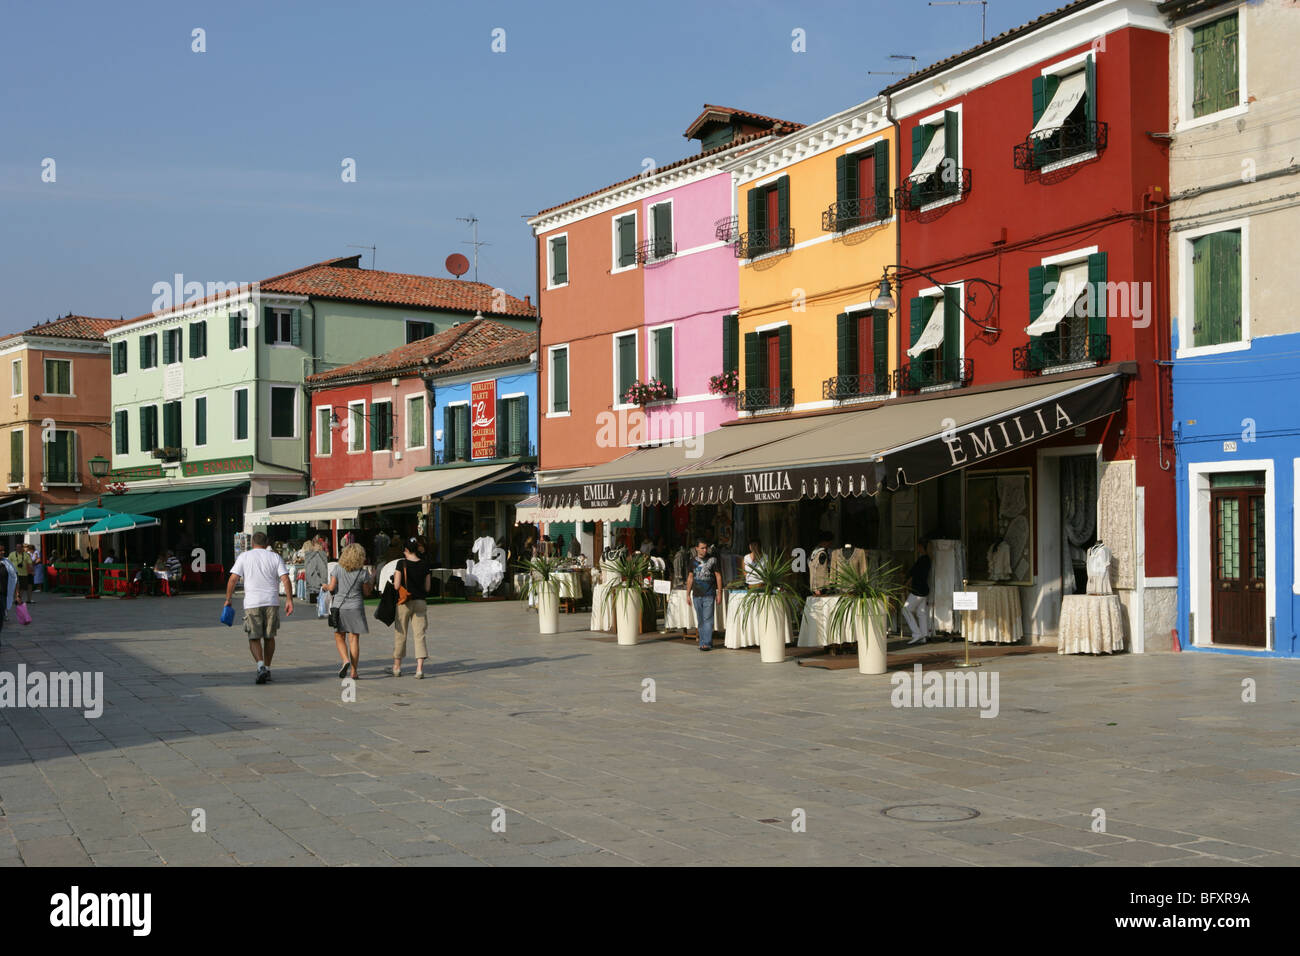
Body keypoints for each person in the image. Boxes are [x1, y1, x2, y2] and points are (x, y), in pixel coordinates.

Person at [224, 531, 294, 684]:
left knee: (254, 637)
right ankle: (267, 668)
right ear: (266, 543)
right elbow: (285, 579)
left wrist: (228, 599)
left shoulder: (244, 556)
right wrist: (289, 600)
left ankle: (260, 665)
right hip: (271, 601)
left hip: (252, 603)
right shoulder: (275, 557)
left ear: (252, 543)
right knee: (270, 637)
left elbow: (232, 580)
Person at [327, 542, 373, 680]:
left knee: (339, 636)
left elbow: (331, 588)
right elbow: (367, 592)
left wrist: (325, 586)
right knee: (354, 639)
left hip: (340, 607)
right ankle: (354, 671)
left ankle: (345, 660)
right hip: (356, 607)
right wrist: (372, 579)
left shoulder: (337, 569)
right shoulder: (363, 572)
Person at [391, 537, 432, 679]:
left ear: (407, 550)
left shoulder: (401, 563)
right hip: (420, 602)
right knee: (420, 635)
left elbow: (396, 585)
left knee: (401, 634)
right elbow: (428, 587)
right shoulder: (425, 564)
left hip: (404, 602)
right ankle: (419, 669)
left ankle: (397, 666)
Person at [685, 538, 723, 652]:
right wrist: (687, 594)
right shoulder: (692, 561)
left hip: (709, 594)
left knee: (708, 619)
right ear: (696, 548)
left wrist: (719, 593)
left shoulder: (713, 560)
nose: (705, 550)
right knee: (700, 620)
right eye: (702, 548)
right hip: (696, 594)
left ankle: (706, 643)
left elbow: (718, 576)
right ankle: (704, 642)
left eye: (706, 548)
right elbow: (690, 577)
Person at [903, 538, 933, 646]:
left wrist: (906, 583)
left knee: (905, 610)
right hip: (923, 589)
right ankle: (924, 635)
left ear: (921, 547)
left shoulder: (922, 560)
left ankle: (916, 634)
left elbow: (913, 573)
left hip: (918, 589)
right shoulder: (928, 559)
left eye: (918, 546)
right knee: (921, 613)